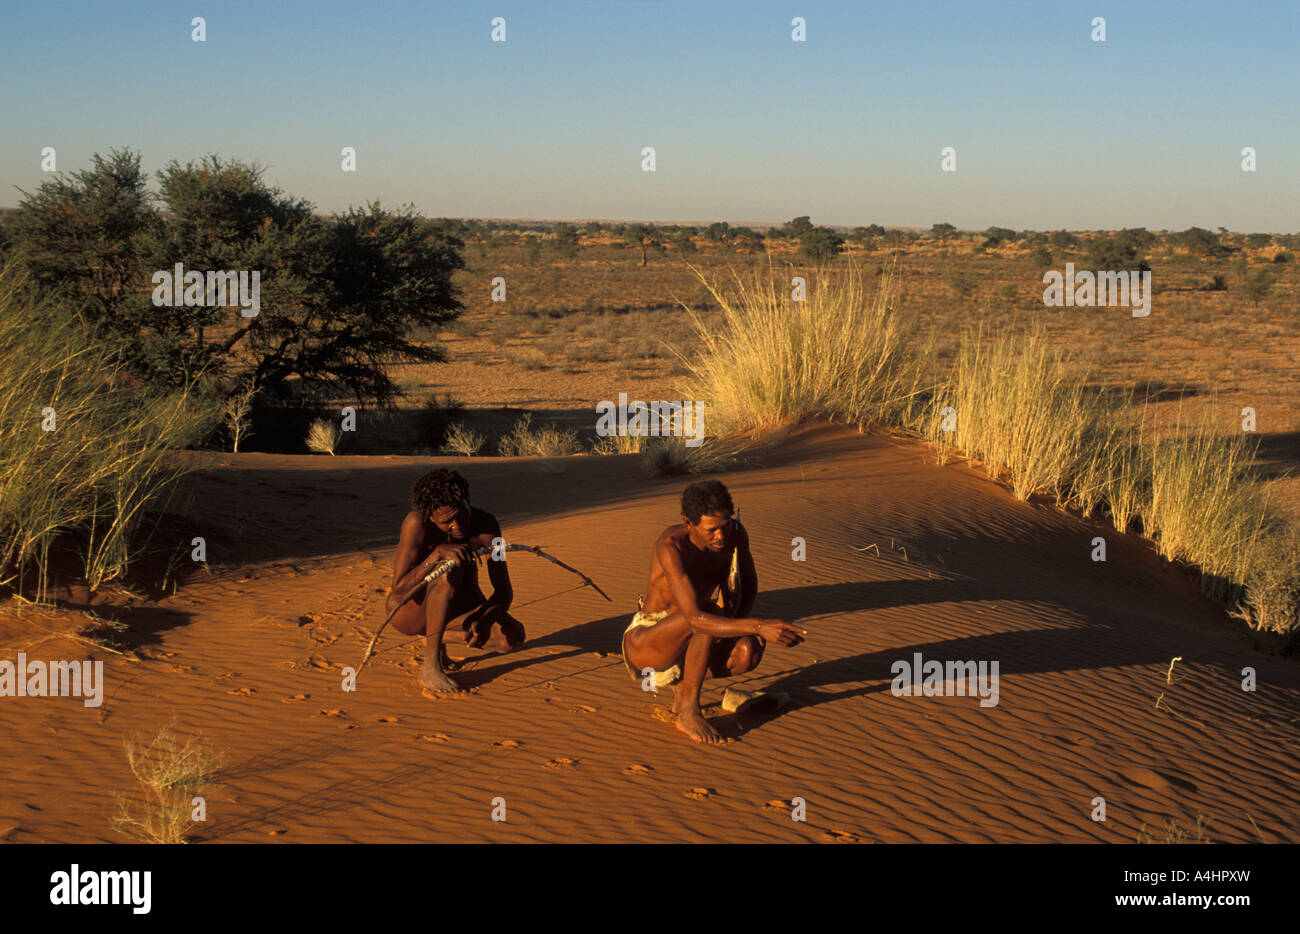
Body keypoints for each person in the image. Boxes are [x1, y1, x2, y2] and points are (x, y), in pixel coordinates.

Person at [621, 480, 806, 744]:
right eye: (711, 530)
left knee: (747, 652)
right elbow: (695, 618)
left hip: (698, 629)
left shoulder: (736, 535)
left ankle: (682, 691)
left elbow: (749, 584)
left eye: (725, 525)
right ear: (688, 522)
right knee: (705, 615)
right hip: (649, 643)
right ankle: (688, 710)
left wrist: (737, 624)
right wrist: (756, 625)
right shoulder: (670, 546)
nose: (720, 536)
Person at [386, 468, 524, 694]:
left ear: (466, 501)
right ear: (430, 517)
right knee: (448, 572)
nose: (458, 526)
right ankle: (430, 666)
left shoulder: (488, 527)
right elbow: (399, 591)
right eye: (447, 522)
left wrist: (486, 619)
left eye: (461, 514)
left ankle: (438, 637)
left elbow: (503, 591)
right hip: (410, 612)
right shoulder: (415, 523)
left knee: (512, 637)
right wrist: (437, 555)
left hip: (457, 608)